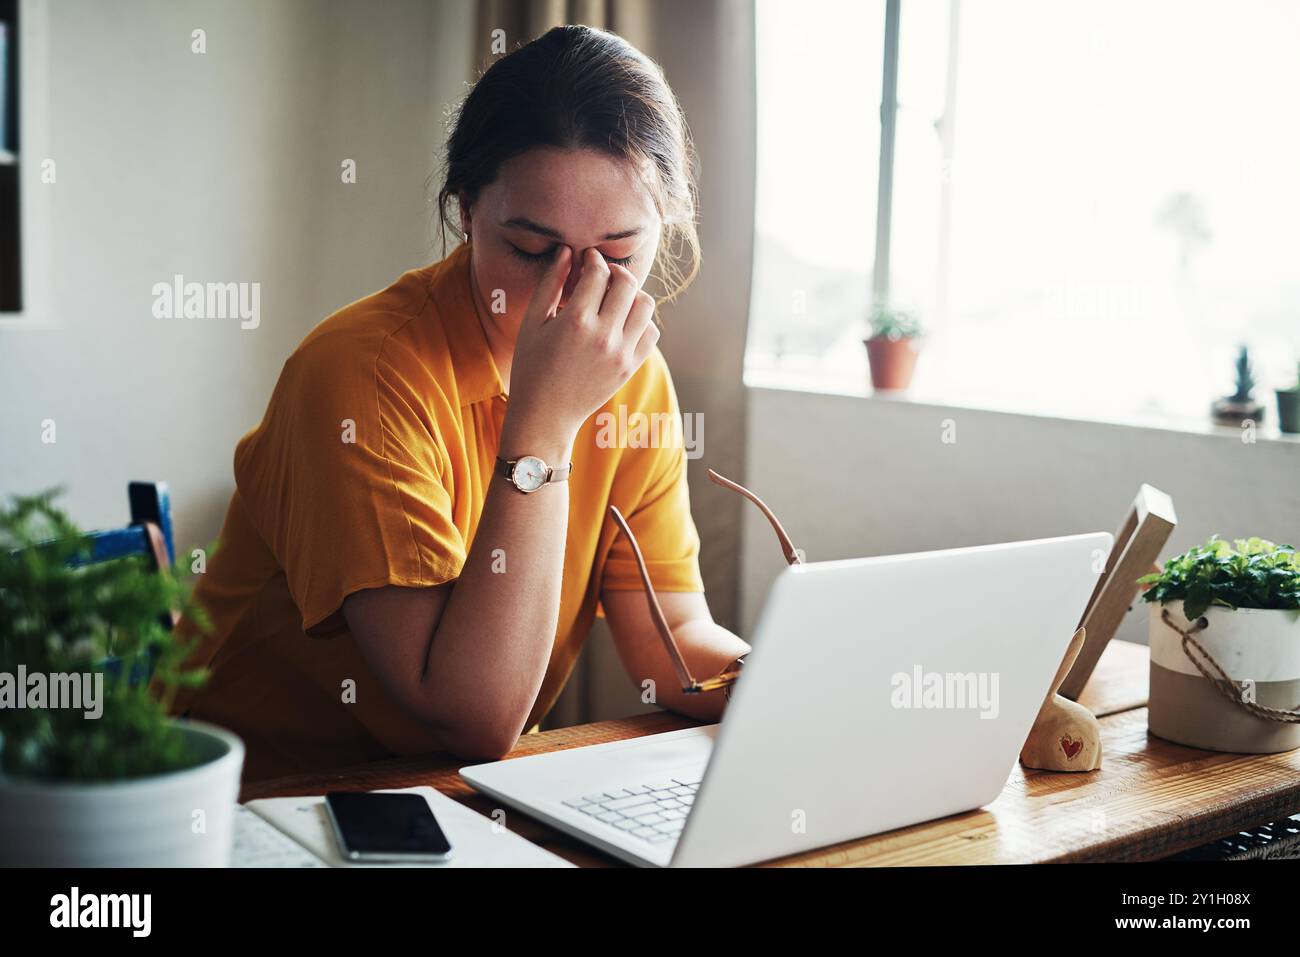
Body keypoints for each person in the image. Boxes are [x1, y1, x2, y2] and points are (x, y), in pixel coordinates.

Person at [168, 24, 750, 782]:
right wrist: (545, 424)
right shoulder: (361, 375)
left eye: (617, 256)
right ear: (467, 209)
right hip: (252, 798)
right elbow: (470, 713)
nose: (573, 299)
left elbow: (671, 633)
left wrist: (780, 677)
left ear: (663, 230)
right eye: (532, 250)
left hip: (452, 798)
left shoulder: (630, 374)